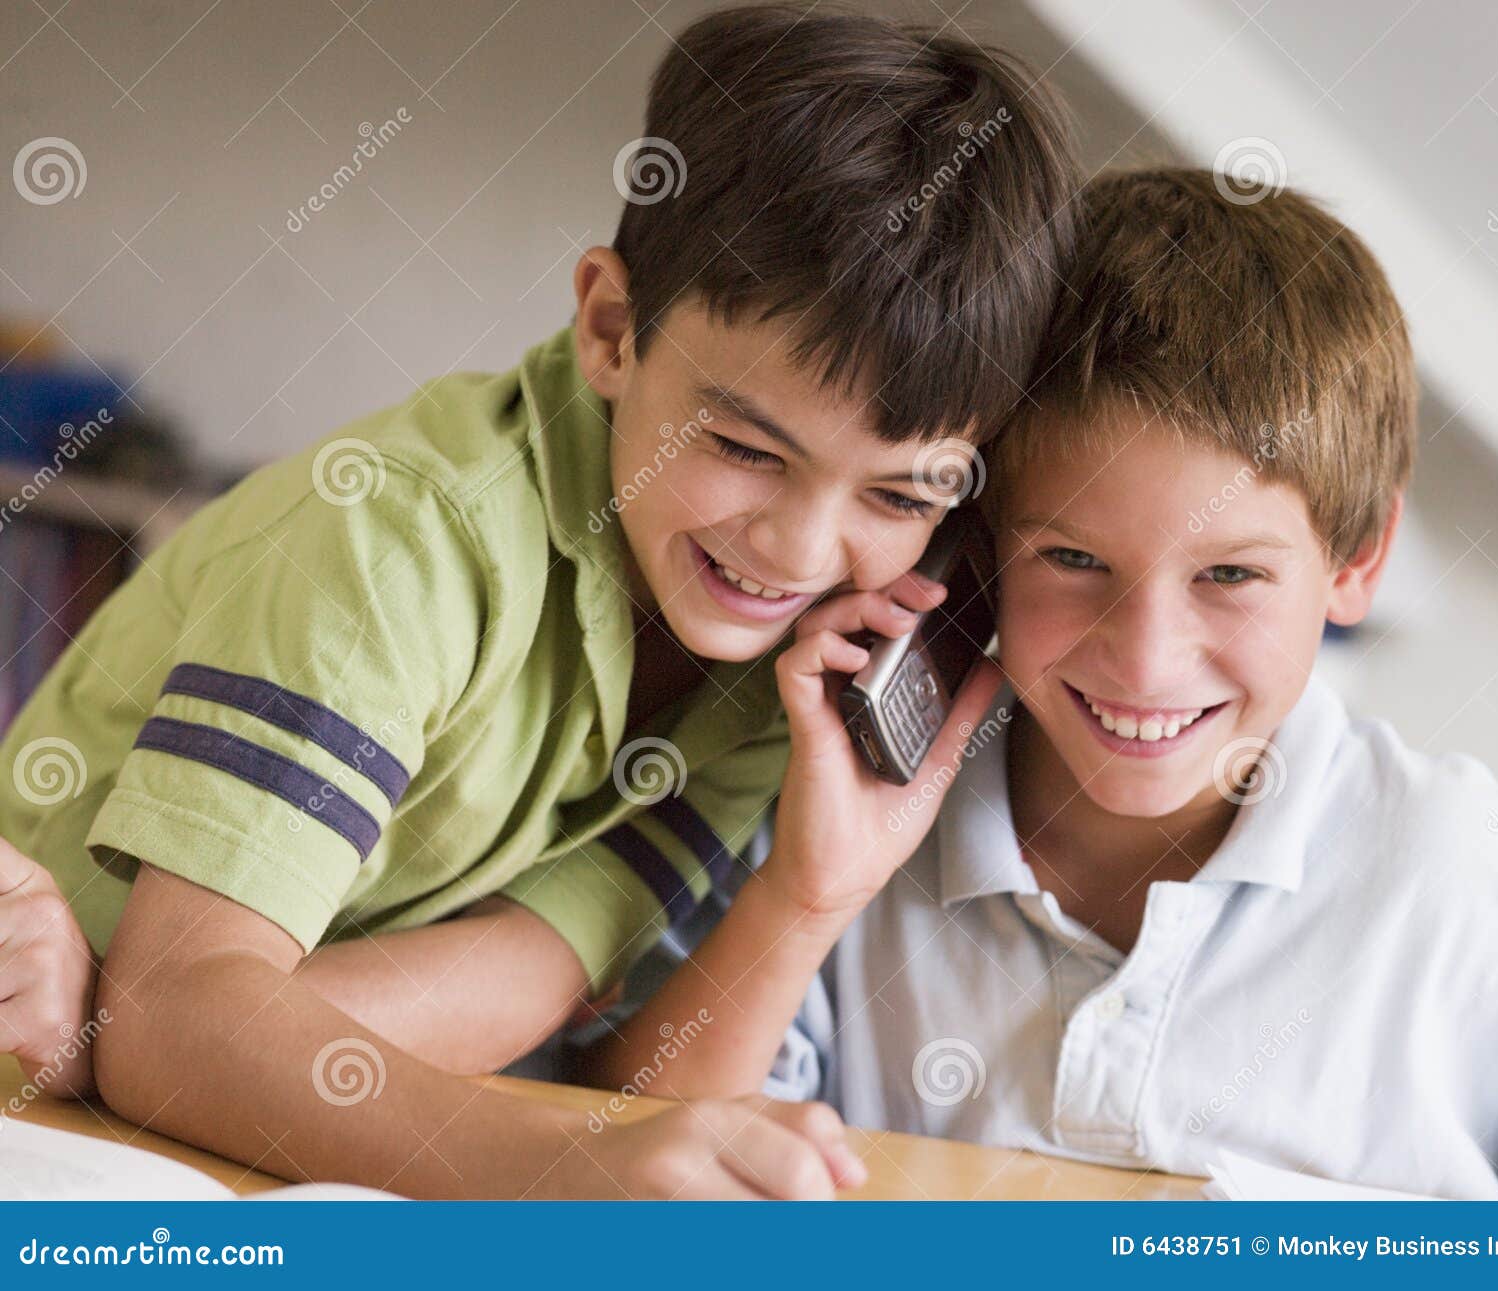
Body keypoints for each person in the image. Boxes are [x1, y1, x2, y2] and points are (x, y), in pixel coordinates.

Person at [0, 3, 1080, 1199]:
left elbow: (536, 970)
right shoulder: (402, 535)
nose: (800, 547)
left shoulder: (786, 666)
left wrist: (150, 1027)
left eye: (897, 493)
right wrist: (570, 1168)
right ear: (612, 329)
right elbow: (179, 1024)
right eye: (746, 447)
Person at [584, 167, 1498, 1200]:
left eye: (1230, 575)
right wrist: (806, 899)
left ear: (1355, 562)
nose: (1146, 658)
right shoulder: (829, 825)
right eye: (1071, 560)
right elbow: (614, 1179)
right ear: (971, 556)